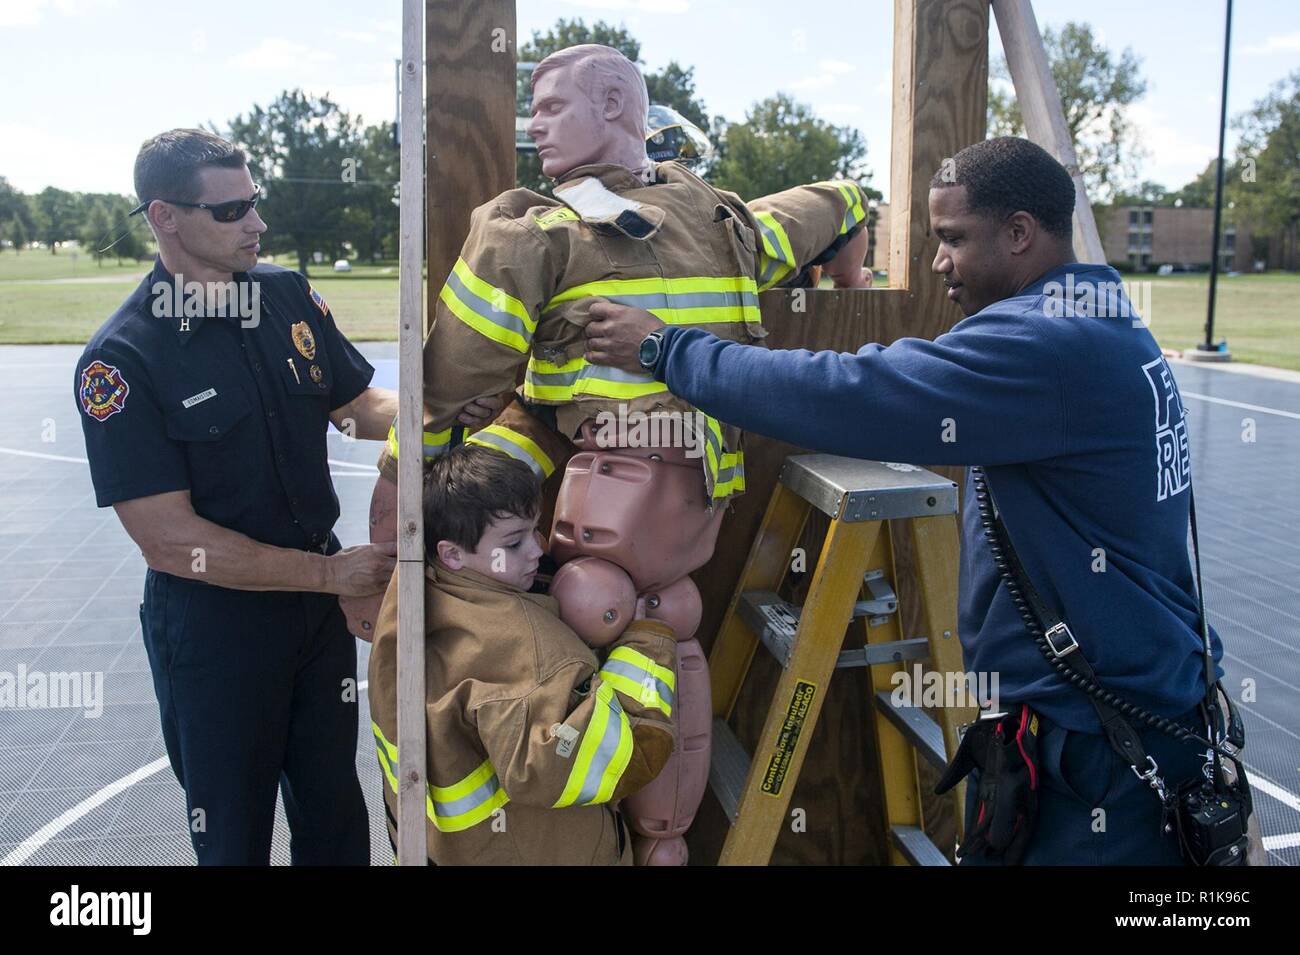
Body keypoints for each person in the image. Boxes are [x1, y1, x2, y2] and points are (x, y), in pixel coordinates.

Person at [583, 136, 1226, 865]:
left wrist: (666, 350)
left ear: (1020, 233)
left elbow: (851, 392)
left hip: (1095, 747)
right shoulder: (1098, 309)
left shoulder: (1049, 341)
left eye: (953, 239)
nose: (937, 262)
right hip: (1114, 713)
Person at [351, 43, 870, 864]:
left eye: (552, 105)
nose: (534, 125)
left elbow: (442, 387)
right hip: (694, 511)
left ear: (620, 107)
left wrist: (392, 504)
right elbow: (828, 202)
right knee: (672, 628)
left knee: (599, 617)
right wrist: (851, 246)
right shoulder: (724, 220)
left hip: (610, 510)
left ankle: (628, 835)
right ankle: (664, 844)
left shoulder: (532, 233)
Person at [73, 128, 494, 865]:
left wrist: (449, 410)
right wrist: (331, 575)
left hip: (314, 621)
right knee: (232, 836)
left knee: (335, 819)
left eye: (255, 203)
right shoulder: (122, 360)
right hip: (217, 631)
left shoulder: (284, 296)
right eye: (231, 211)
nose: (257, 225)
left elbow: (357, 404)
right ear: (164, 217)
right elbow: (169, 540)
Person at [367, 444, 678, 865]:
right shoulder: (532, 655)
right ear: (452, 553)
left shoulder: (411, 596)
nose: (536, 549)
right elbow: (604, 758)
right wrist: (647, 645)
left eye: (535, 529)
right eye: (513, 544)